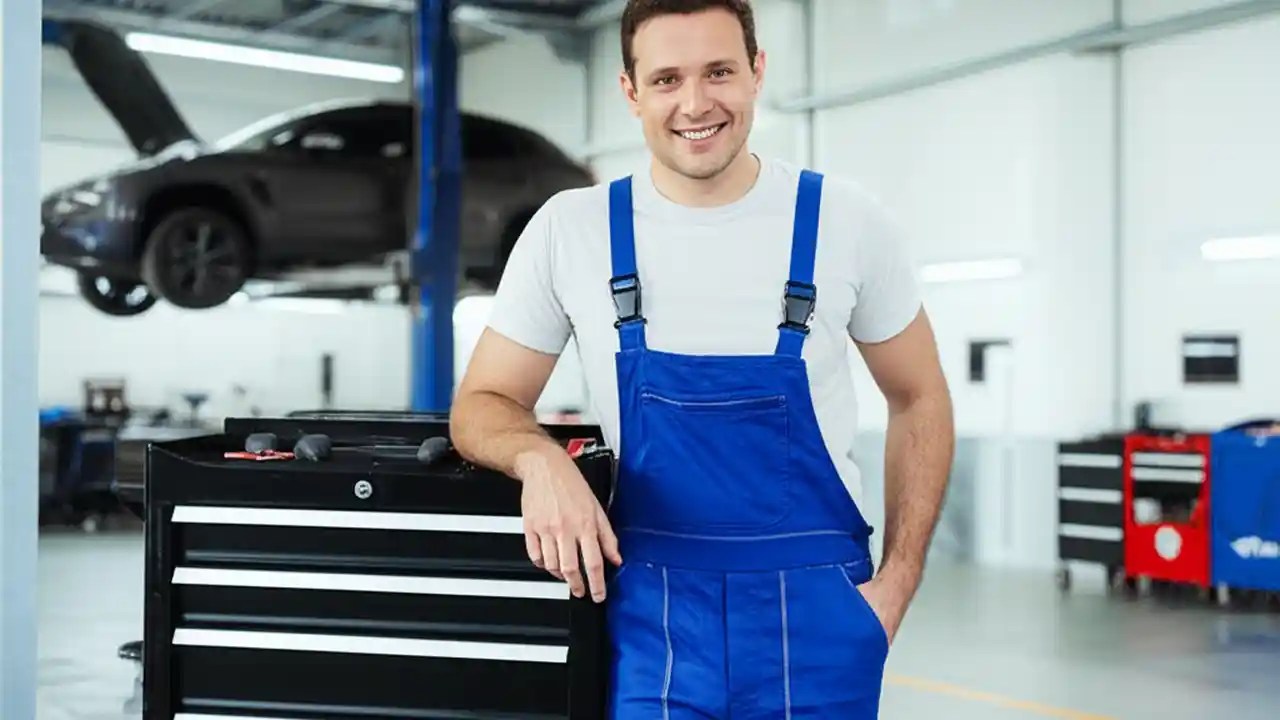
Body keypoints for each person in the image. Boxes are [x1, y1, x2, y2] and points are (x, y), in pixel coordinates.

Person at [449, 0, 954, 716]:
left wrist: (897, 585)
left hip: (819, 620)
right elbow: (482, 403)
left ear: (757, 72)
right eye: (666, 79)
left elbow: (921, 396)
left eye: (719, 71)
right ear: (630, 92)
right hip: (649, 622)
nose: (695, 103)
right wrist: (541, 461)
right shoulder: (571, 230)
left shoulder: (847, 222)